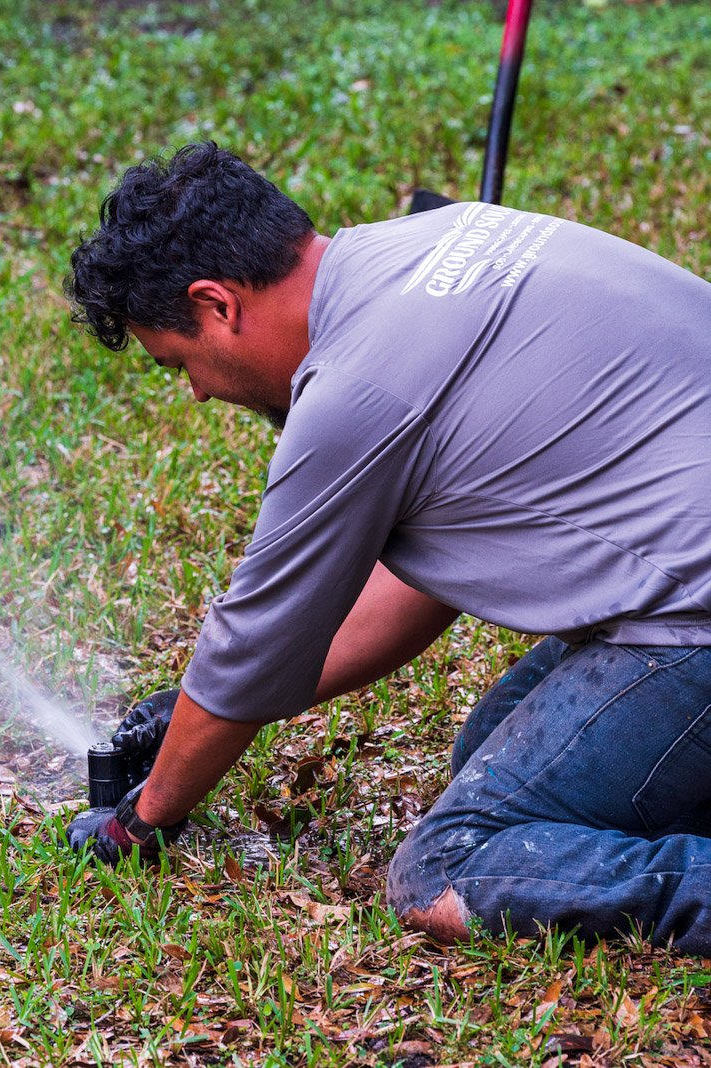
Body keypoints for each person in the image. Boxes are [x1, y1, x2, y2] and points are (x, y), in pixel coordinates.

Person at [61, 141, 711, 955]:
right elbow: (408, 594)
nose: (196, 391)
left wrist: (140, 820)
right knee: (489, 750)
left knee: (450, 865)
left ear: (216, 304)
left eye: (180, 361)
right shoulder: (439, 239)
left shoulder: (356, 389)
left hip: (696, 618)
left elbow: (256, 644)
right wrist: (189, 711)